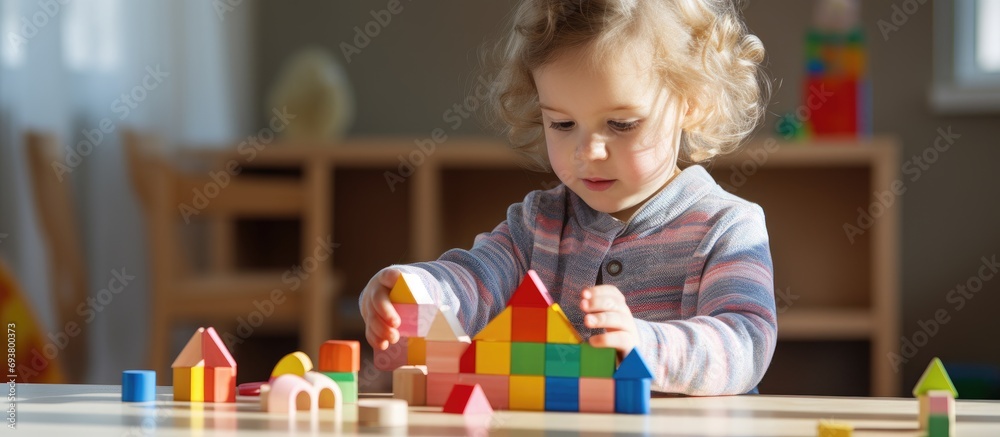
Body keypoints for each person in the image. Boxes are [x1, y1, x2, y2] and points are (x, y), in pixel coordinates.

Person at [360, 0, 775, 396]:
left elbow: (747, 340)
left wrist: (644, 344)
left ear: (692, 103)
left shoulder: (728, 227)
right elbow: (476, 278)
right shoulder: (538, 223)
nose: (587, 151)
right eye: (562, 123)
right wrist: (417, 288)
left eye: (621, 123)